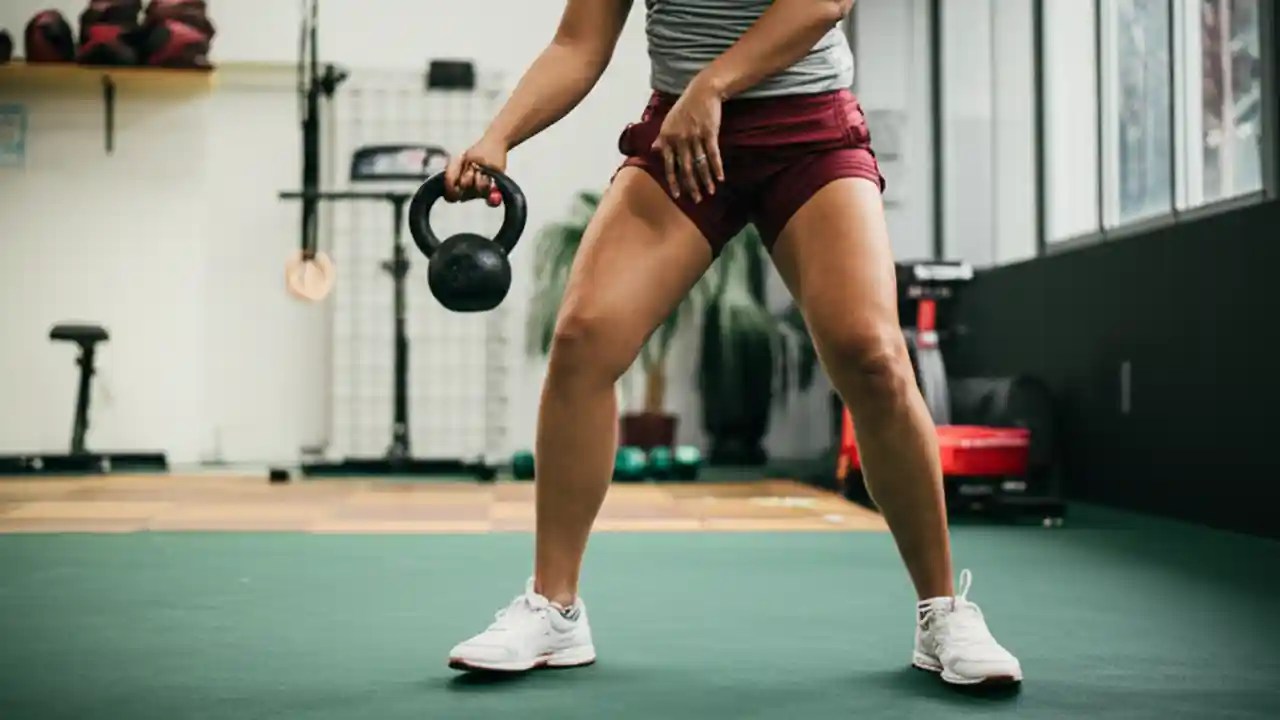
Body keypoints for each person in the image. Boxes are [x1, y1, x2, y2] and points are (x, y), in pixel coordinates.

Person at [442, 0, 1023, 686]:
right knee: (584, 337)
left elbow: (825, 3)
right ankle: (554, 609)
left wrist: (713, 85)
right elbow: (578, 45)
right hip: (685, 139)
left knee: (870, 352)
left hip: (806, 132)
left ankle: (943, 612)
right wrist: (498, 136)